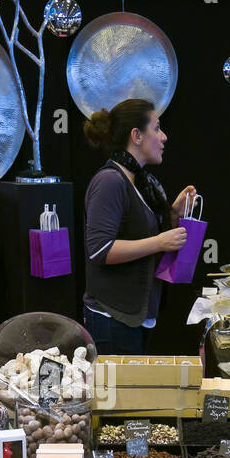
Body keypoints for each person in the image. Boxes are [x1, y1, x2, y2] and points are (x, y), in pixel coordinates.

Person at [81, 98, 196, 354]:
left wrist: (173, 214)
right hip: (113, 319)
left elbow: (138, 232)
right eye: (156, 128)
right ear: (137, 135)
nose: (164, 137)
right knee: (118, 395)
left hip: (135, 316)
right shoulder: (110, 181)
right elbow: (100, 249)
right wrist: (159, 242)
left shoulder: (139, 182)